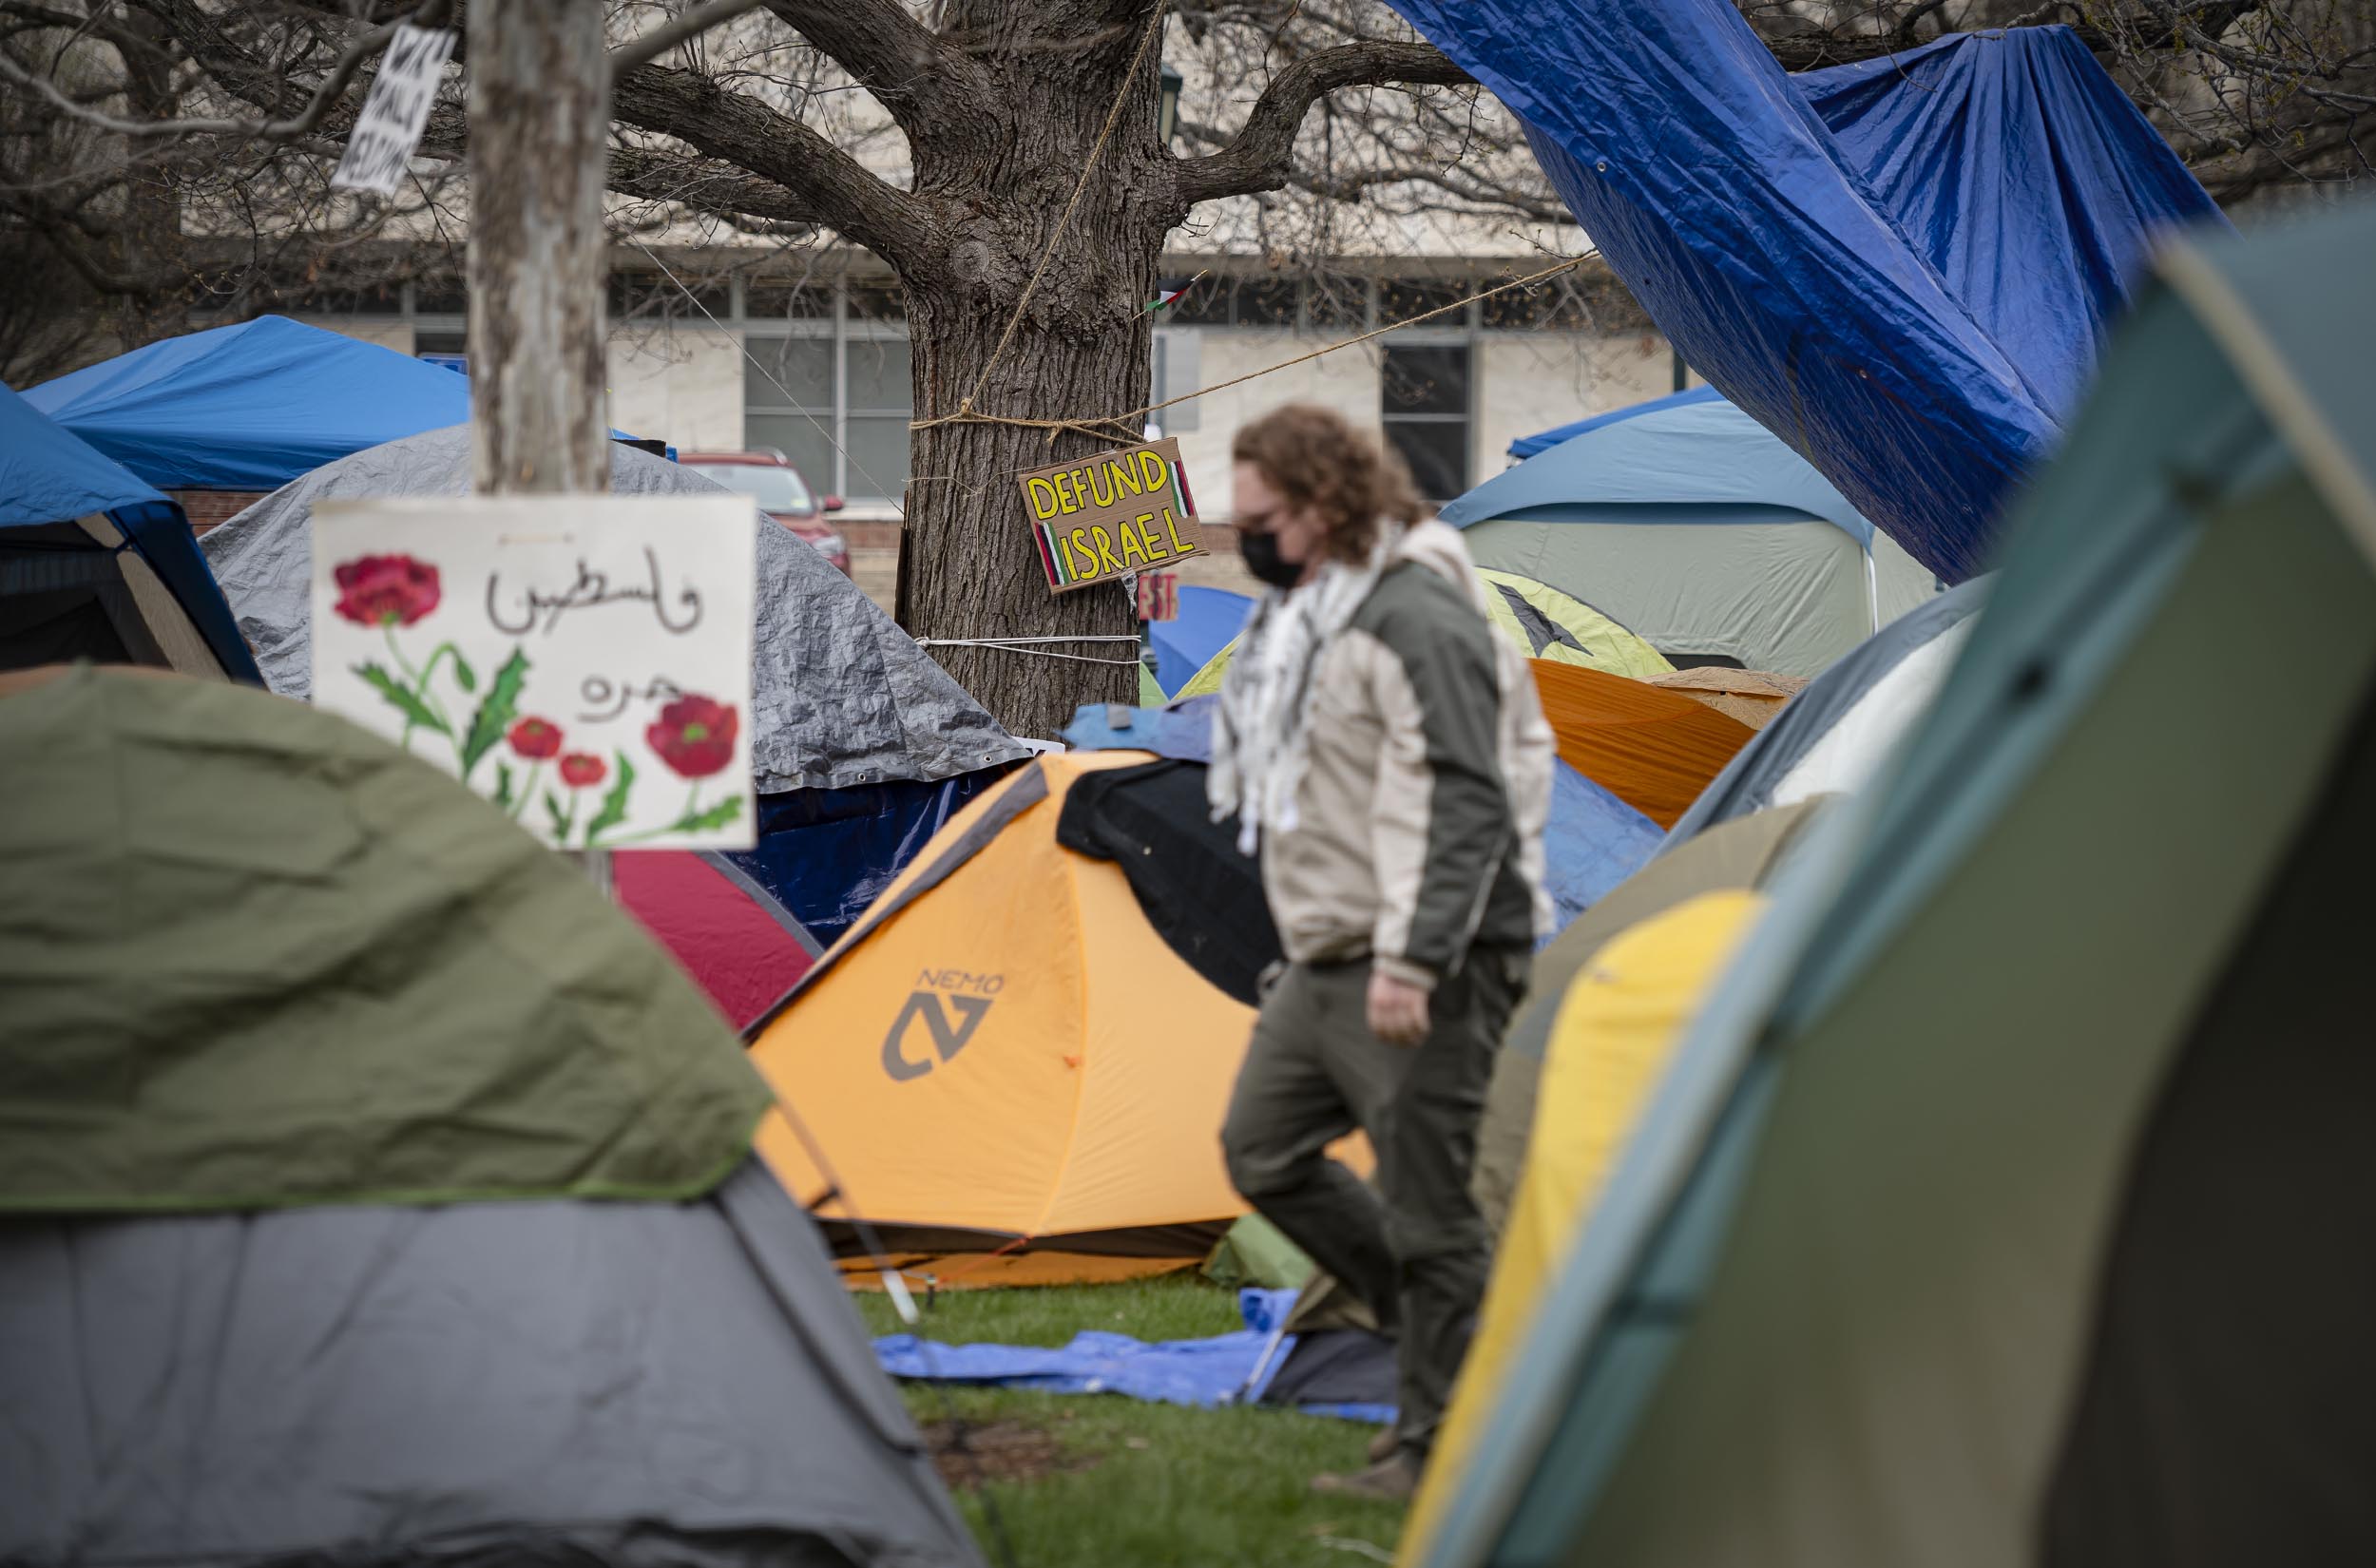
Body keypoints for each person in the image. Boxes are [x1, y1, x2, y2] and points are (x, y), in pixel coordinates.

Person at [1212, 403, 1553, 1501]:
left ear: (1322, 506)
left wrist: (1414, 959)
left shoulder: (1415, 613)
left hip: (1426, 959)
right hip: (1328, 955)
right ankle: (1446, 1343)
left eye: (1261, 517)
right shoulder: (1322, 610)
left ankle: (1440, 1445)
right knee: (1260, 1149)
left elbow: (1469, 796)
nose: (1244, 535)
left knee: (1429, 1207)